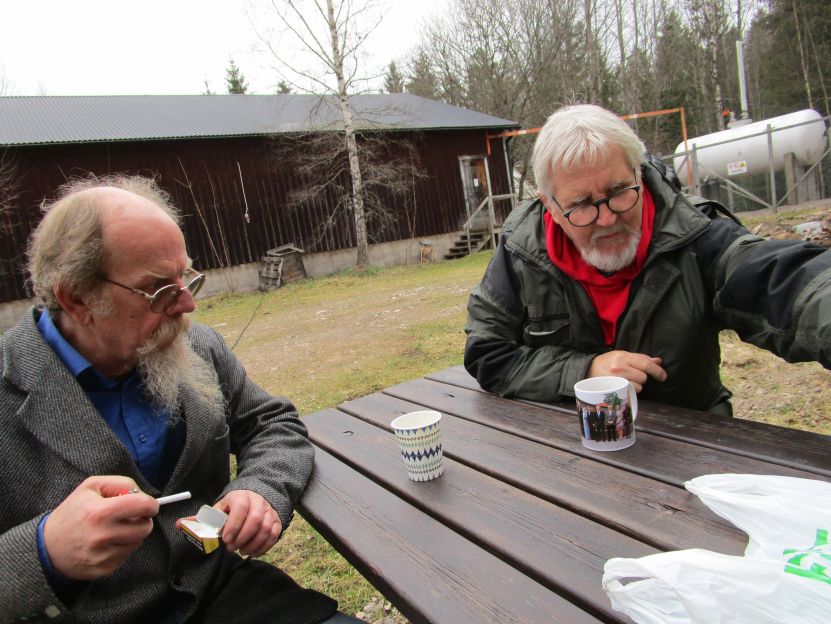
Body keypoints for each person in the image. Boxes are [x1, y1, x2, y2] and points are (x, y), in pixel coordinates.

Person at [0, 176, 355, 622]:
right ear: (77, 298)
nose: (187, 305)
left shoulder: (197, 347)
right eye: (158, 290)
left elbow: (271, 423)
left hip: (222, 594)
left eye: (185, 278)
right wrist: (44, 551)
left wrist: (260, 488)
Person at [464, 103, 831, 417]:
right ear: (551, 207)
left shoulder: (697, 237)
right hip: (569, 447)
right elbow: (487, 353)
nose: (606, 218)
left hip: (692, 444)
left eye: (618, 191)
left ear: (637, 172)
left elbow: (784, 281)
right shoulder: (522, 251)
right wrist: (585, 371)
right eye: (581, 205)